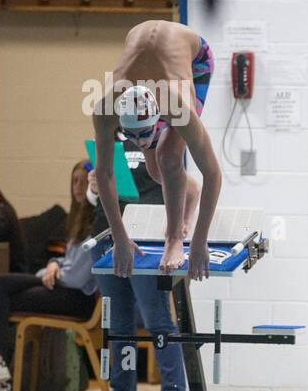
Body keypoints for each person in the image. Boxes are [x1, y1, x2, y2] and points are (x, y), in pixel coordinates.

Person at [93, 21, 218, 281]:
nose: (138, 142)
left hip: (195, 60)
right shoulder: (105, 108)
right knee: (154, 169)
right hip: (146, 50)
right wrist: (120, 236)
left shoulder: (177, 103)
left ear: (159, 114)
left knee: (168, 156)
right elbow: (104, 173)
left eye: (143, 134)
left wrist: (198, 241)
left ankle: (173, 238)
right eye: (131, 135)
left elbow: (213, 174)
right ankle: (188, 190)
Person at [86, 132, 193, 391]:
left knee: (157, 318)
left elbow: (189, 186)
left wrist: (181, 226)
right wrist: (93, 189)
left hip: (147, 239)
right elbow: (98, 196)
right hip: (106, 237)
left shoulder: (162, 139)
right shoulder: (109, 141)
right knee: (118, 322)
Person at [0, 161, 99, 391]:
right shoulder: (78, 218)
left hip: (76, 296)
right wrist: (51, 265)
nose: (79, 187)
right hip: (61, 284)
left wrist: (49, 274)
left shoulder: (95, 223)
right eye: (75, 181)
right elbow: (65, 261)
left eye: (84, 181)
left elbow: (78, 278)